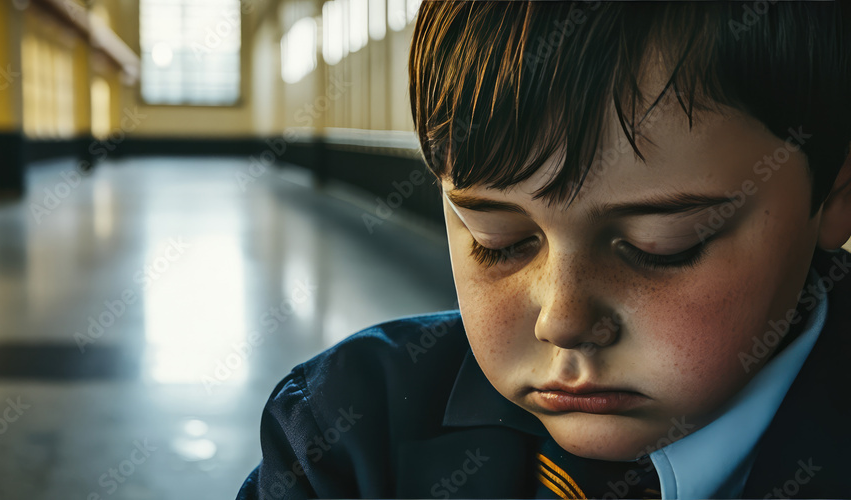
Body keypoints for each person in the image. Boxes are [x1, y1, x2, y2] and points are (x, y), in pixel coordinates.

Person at [237, 2, 851, 498]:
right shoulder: (345, 432)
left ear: (834, 196)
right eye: (496, 242)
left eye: (662, 247)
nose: (561, 322)